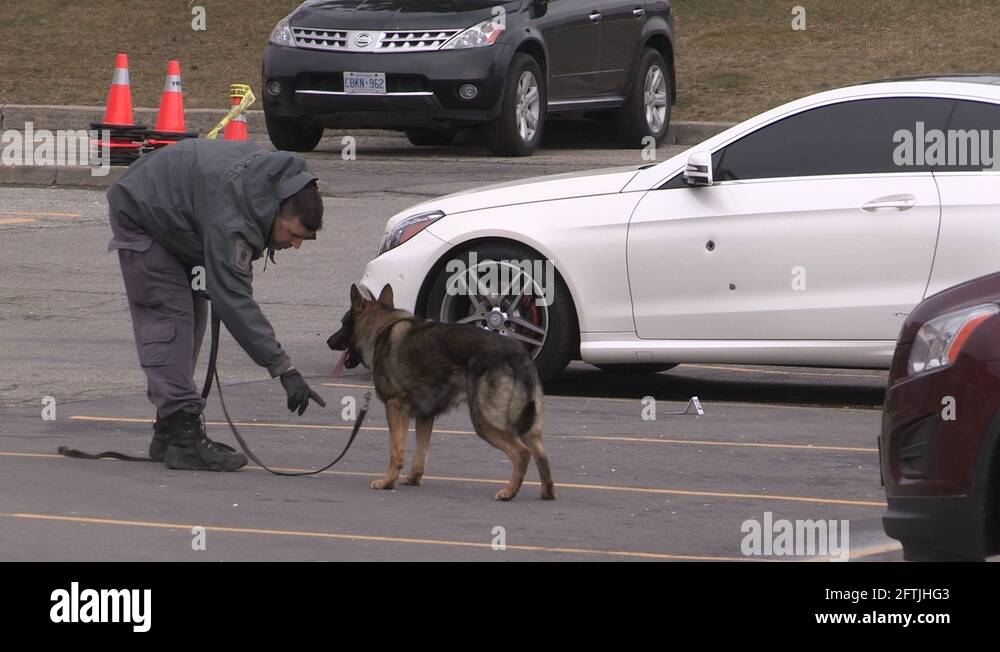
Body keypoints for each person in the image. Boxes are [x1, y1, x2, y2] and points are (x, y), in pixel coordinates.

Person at [107, 138, 326, 472]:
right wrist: (284, 369)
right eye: (292, 234)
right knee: (171, 322)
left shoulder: (267, 189)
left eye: (303, 240)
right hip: (142, 214)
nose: (294, 245)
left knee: (194, 317)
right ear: (278, 209)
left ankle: (170, 430)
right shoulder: (234, 220)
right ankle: (184, 441)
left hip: (178, 218)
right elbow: (235, 300)